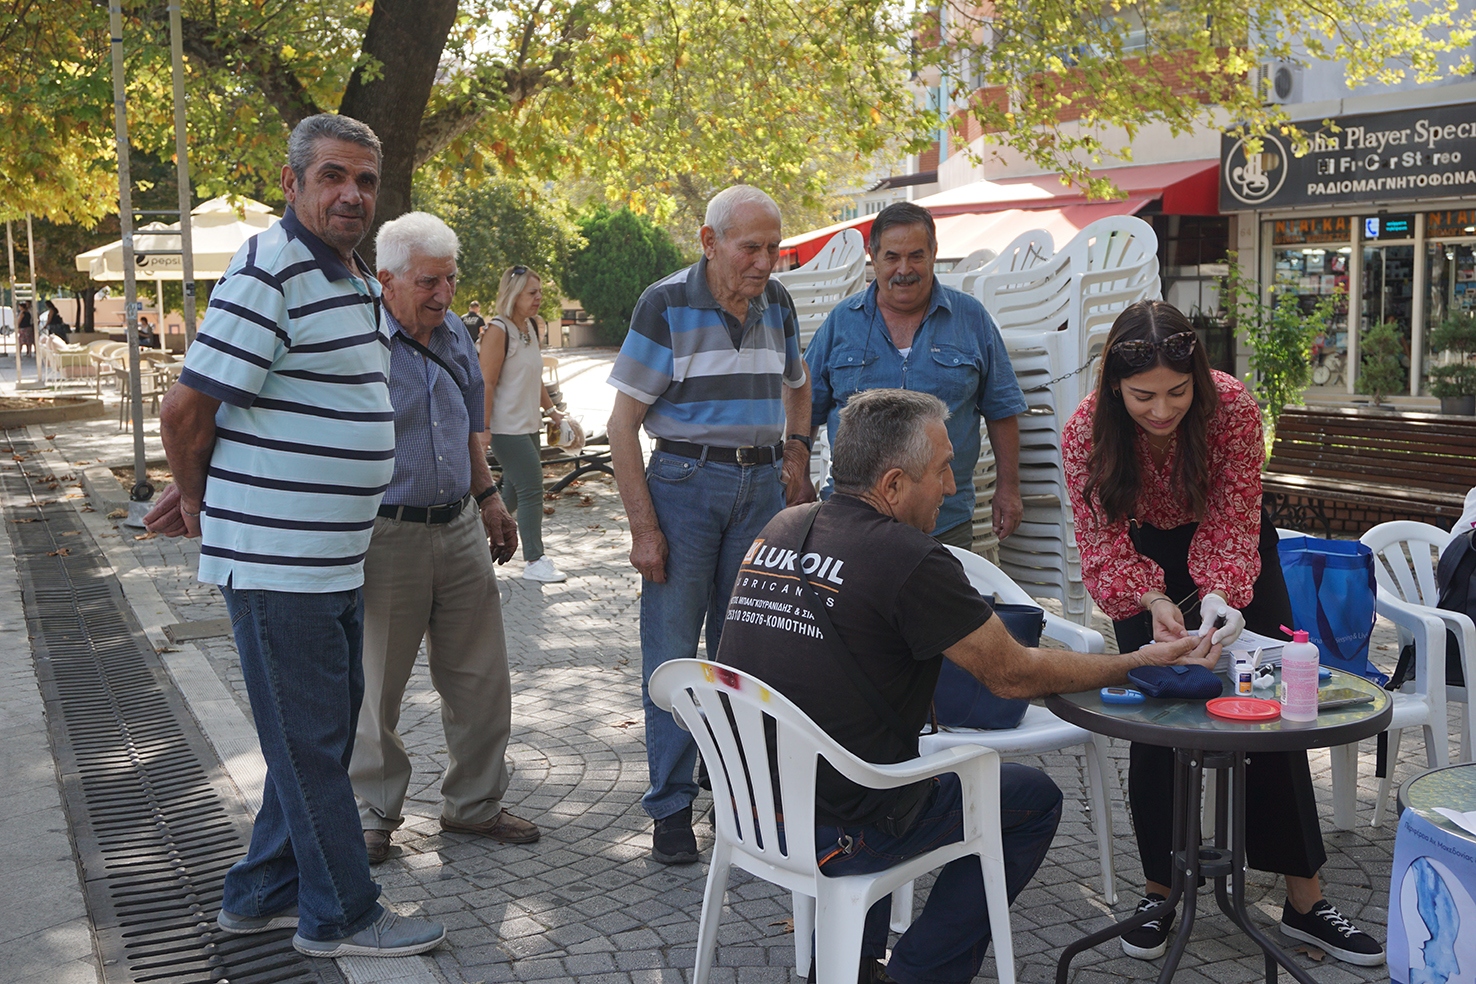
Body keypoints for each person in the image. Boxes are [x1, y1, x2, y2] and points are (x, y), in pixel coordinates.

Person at [717, 387, 1218, 984]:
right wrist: (1137, 661)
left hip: (749, 807)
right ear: (894, 484)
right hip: (842, 826)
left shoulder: (784, 525)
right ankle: (916, 975)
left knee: (875, 763)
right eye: (943, 469)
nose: (953, 487)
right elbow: (1014, 675)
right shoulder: (909, 558)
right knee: (1031, 800)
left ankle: (851, 968)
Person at [144, 113, 445, 960]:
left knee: (313, 735)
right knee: (312, 745)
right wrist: (197, 499)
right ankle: (341, 916)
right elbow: (186, 409)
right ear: (292, 183)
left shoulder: (347, 276)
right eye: (332, 176)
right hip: (281, 563)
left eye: (365, 181)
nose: (352, 194)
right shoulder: (270, 270)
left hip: (330, 559)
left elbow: (269, 405)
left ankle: (260, 893)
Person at [1061, 299, 1384, 966]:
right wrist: (1153, 598)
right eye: (1143, 396)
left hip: (1234, 546)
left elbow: (1235, 514)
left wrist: (1221, 596)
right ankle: (1160, 893)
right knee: (1157, 718)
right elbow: (1100, 541)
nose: (1161, 410)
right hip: (1140, 559)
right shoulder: (1085, 431)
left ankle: (1306, 901)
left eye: (1177, 392)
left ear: (1198, 379)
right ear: (1114, 387)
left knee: (1268, 709)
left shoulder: (1231, 406)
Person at [608, 184, 816, 865]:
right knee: (673, 654)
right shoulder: (665, 302)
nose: (764, 262)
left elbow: (799, 383)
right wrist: (644, 529)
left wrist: (795, 452)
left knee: (746, 649)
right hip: (685, 485)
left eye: (773, 248)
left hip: (761, 488)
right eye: (750, 248)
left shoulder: (777, 302)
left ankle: (734, 791)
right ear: (709, 242)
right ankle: (670, 808)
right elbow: (622, 425)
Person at [349, 213, 538, 865]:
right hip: (385, 533)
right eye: (429, 282)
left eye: (450, 279)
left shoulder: (456, 331)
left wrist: (489, 499)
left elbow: (464, 425)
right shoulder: (355, 337)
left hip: (458, 524)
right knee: (376, 687)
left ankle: (475, 805)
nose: (444, 293)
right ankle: (373, 815)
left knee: (481, 678)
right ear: (387, 279)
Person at [805, 201, 1026, 548]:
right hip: (852, 520)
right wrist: (799, 474)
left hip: (945, 520)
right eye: (892, 257)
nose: (904, 269)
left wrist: (1008, 488)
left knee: (940, 587)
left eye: (916, 256)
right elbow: (806, 408)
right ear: (873, 256)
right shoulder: (841, 321)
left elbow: (1002, 410)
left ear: (934, 254)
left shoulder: (971, 318)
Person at [481, 266, 571, 583]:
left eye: (540, 291)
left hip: (530, 426)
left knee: (512, 495)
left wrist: (553, 412)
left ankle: (472, 546)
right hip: (505, 429)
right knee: (532, 487)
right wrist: (484, 429)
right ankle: (535, 560)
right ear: (514, 294)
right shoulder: (498, 330)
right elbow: (486, 383)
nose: (538, 297)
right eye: (532, 292)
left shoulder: (531, 327)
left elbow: (536, 377)